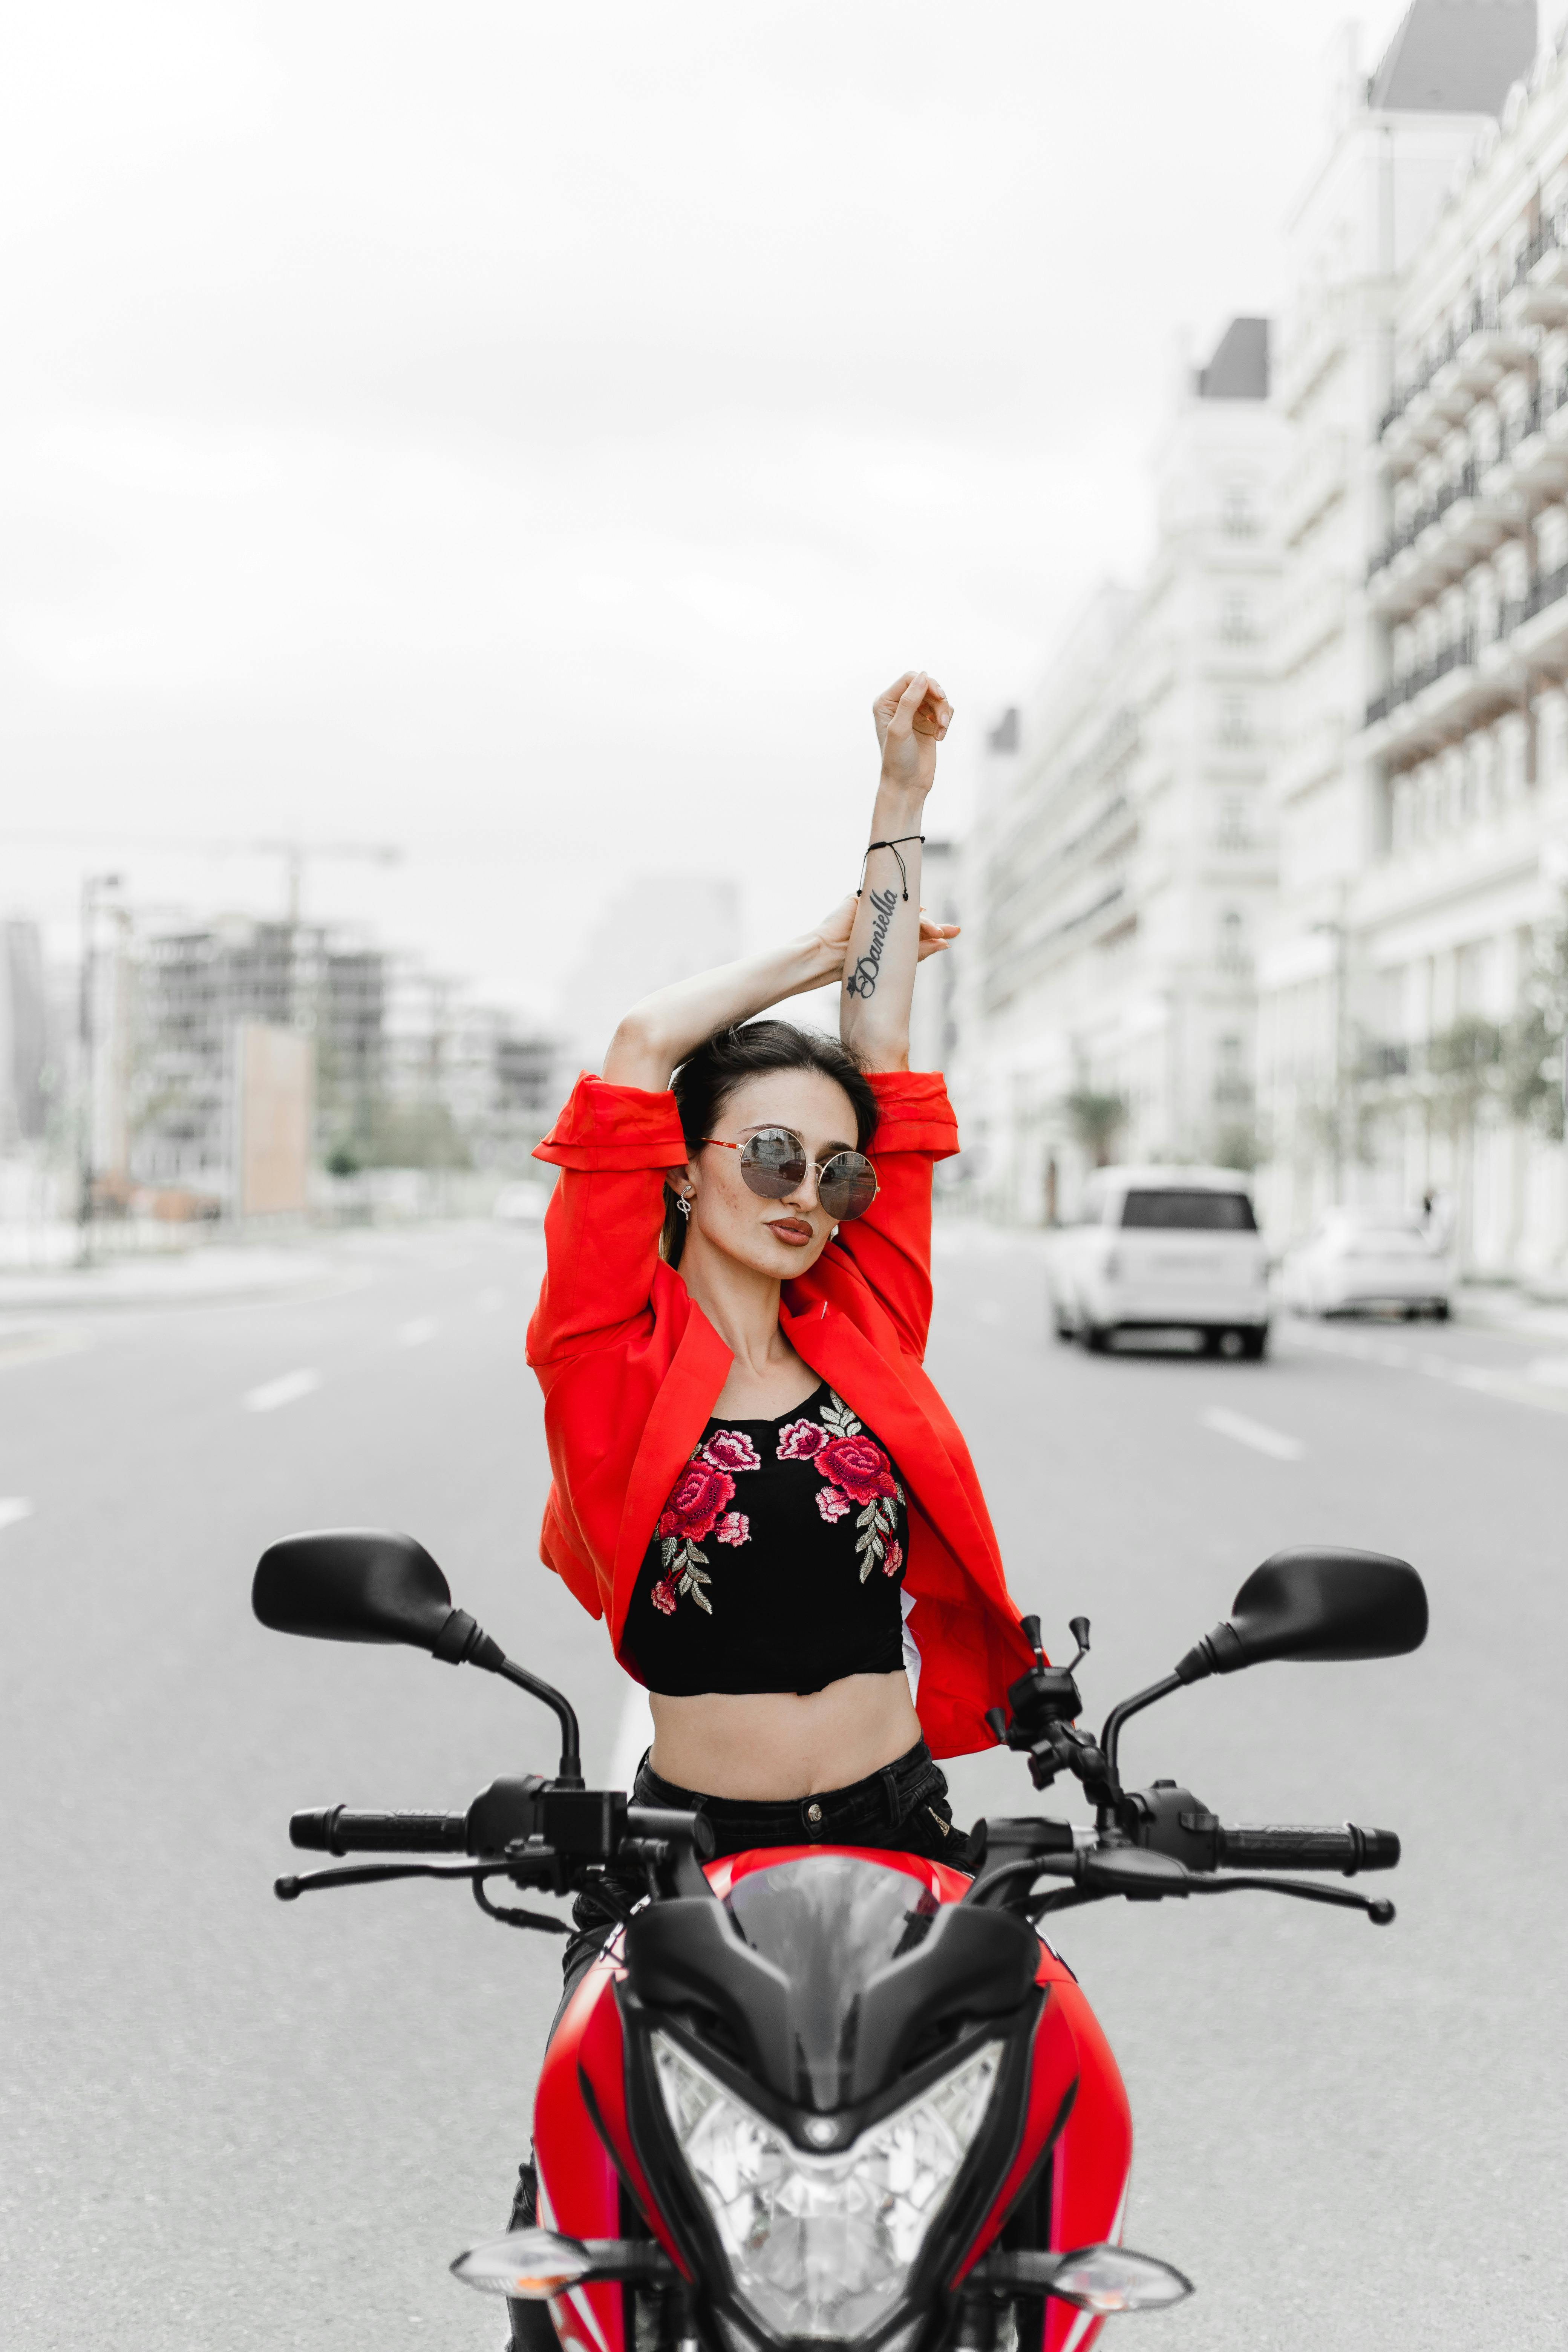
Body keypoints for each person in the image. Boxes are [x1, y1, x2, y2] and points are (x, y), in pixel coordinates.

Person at [504, 672, 1036, 2344]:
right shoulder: (609, 1356)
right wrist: (815, 942)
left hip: (897, 1831)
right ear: (682, 1168)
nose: (811, 1195)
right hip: (691, 1865)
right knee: (621, 2243)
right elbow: (644, 1046)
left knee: (970, 2229)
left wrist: (899, 798)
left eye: (835, 1170)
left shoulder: (862, 1323)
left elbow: (880, 1061)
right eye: (769, 1160)